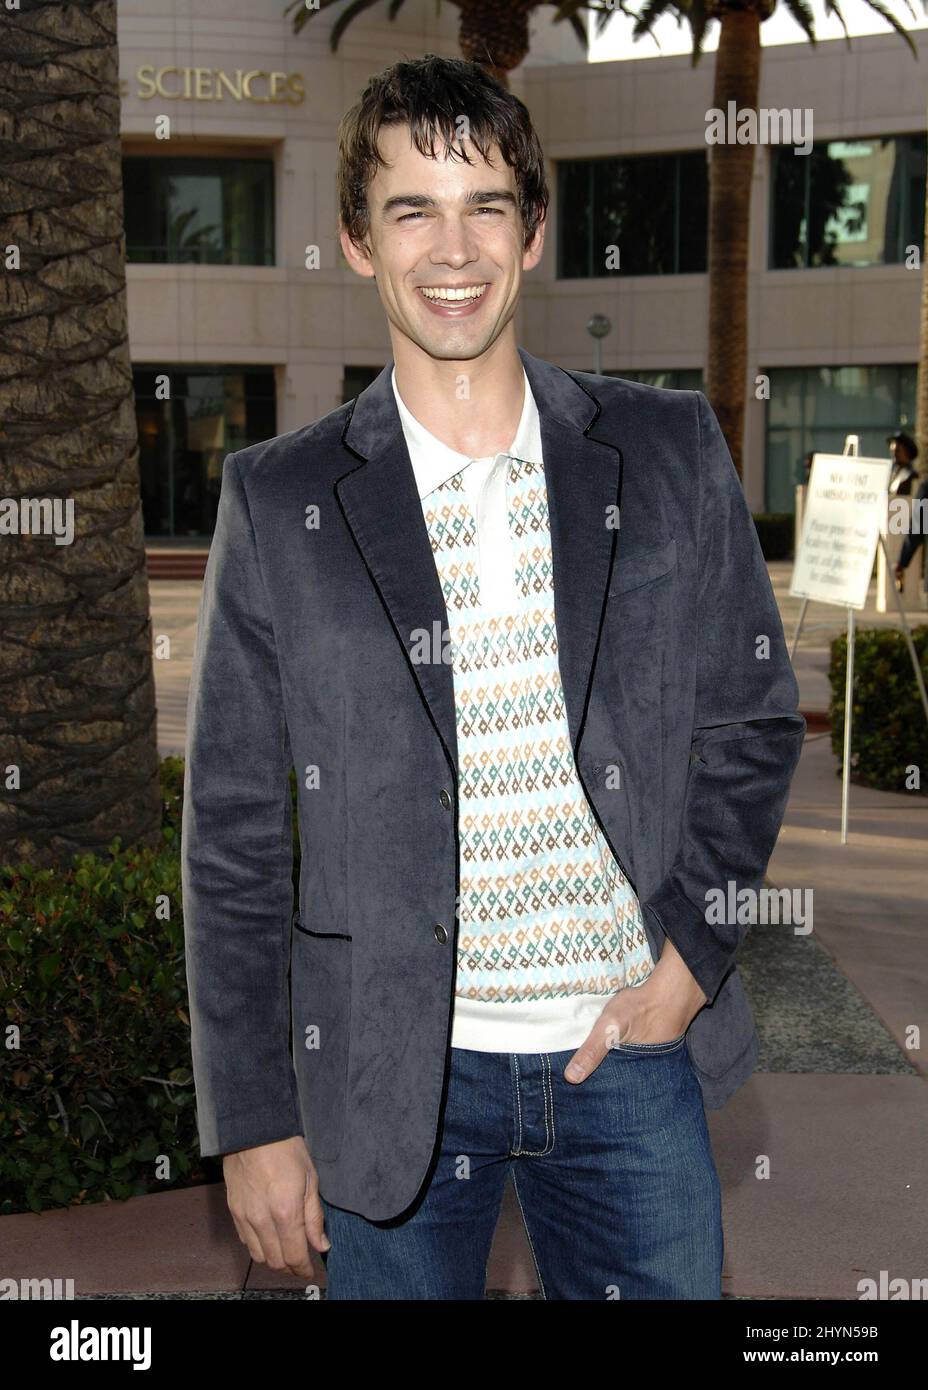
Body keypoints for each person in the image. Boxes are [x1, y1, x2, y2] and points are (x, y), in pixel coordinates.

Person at [181, 54, 806, 1301]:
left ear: (533, 233)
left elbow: (753, 726)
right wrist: (254, 1120)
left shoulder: (667, 450)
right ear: (357, 241)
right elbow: (237, 835)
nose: (450, 246)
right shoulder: (279, 498)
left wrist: (689, 964)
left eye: (484, 206)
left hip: (626, 1056)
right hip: (387, 1075)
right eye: (411, 207)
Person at [887, 429, 919, 496]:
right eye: (892, 451)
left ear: (907, 452)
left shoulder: (911, 476)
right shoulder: (890, 473)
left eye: (897, 451)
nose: (894, 454)